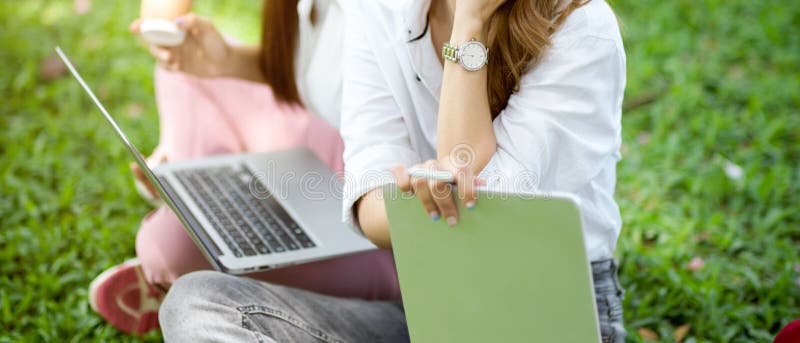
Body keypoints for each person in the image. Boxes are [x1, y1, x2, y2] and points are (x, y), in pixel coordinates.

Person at [159, 0, 627, 342]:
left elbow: (475, 203)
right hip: (430, 301)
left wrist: (469, 24)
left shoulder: (582, 28)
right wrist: (414, 198)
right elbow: (369, 203)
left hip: (544, 313)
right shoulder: (380, 12)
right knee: (198, 302)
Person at [88, 0, 401, 335]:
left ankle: (214, 251)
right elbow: (319, 76)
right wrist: (227, 61)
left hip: (381, 218)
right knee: (182, 65)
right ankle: (194, 182)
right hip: (335, 147)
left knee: (168, 245)